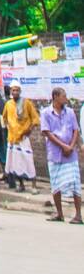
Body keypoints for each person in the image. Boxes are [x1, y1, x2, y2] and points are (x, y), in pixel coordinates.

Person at [40, 87, 82, 223]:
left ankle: (78, 215)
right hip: (55, 153)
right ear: (55, 97)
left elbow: (76, 130)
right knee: (56, 184)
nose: (66, 98)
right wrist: (63, 146)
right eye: (63, 96)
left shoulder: (69, 112)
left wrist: (70, 146)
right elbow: (47, 132)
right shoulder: (46, 113)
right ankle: (60, 213)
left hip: (70, 154)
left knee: (75, 184)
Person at [1, 81, 39, 192]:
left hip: (23, 138)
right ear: (11, 92)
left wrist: (29, 130)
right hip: (12, 138)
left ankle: (34, 186)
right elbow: (4, 118)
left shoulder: (26, 103)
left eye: (17, 90)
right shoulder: (8, 104)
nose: (15, 92)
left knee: (28, 160)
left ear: (20, 91)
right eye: (13, 90)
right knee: (16, 163)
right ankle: (21, 185)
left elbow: (35, 119)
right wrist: (8, 128)